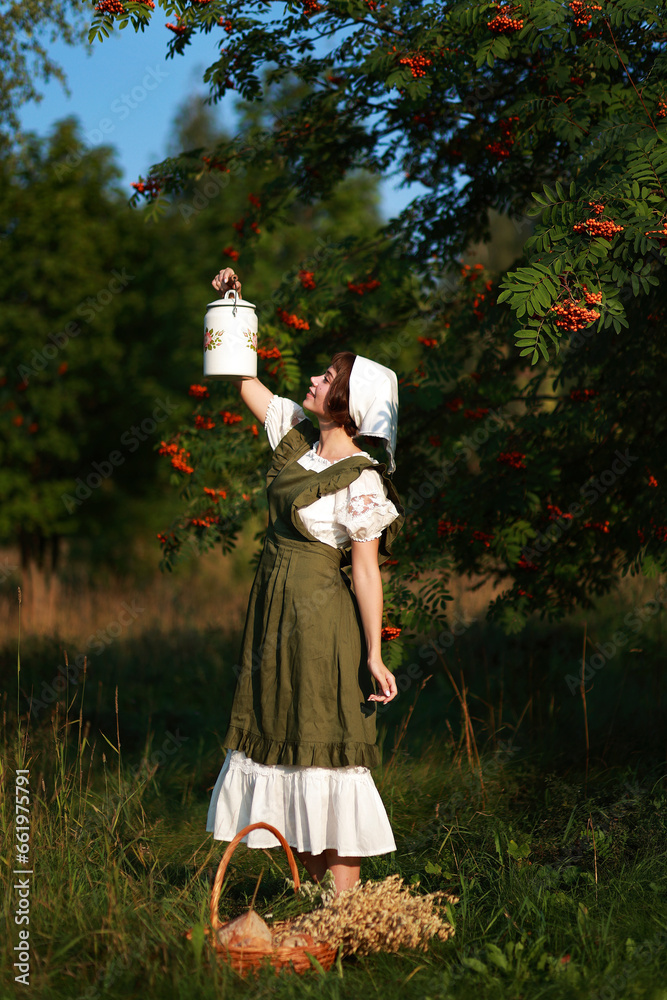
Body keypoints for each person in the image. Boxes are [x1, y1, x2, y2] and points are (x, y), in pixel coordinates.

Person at [206, 266, 405, 893]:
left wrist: (374, 654)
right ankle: (315, 899)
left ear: (346, 403)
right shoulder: (296, 436)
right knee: (284, 740)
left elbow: (366, 572)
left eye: (328, 378)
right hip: (272, 615)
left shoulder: (363, 479)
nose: (315, 379)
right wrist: (231, 307)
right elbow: (243, 380)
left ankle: (345, 912)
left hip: (322, 626)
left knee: (324, 747)